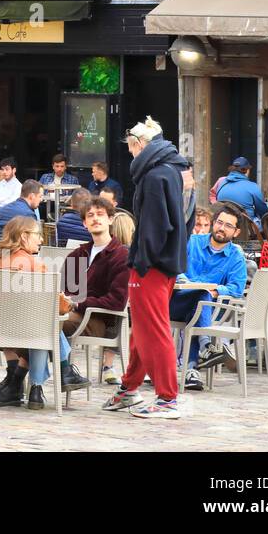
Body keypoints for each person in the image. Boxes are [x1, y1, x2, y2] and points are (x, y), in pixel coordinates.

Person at [102, 116, 187, 419]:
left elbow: (154, 226)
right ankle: (130, 387)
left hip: (151, 264)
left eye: (130, 148)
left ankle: (167, 398)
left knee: (153, 330)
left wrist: (141, 261)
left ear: (139, 145)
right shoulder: (172, 172)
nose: (130, 154)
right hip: (166, 264)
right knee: (143, 328)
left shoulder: (152, 177)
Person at [0, 216, 86, 409]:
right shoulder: (36, 265)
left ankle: (19, 385)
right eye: (38, 234)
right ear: (23, 236)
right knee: (45, 325)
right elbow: (58, 307)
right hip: (31, 334)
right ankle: (56, 376)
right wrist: (67, 303)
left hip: (0, 333)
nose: (41, 240)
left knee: (41, 324)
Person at [169, 203, 248, 392]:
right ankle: (206, 349)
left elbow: (236, 289)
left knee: (202, 298)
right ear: (214, 223)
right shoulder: (192, 242)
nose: (222, 228)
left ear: (236, 232)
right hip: (177, 302)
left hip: (208, 310)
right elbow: (176, 267)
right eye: (220, 222)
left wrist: (216, 291)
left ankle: (192, 369)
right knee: (200, 296)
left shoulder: (236, 256)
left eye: (228, 225)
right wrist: (187, 282)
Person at [63, 197, 129, 385]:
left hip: (100, 321)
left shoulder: (121, 255)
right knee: (38, 322)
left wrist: (80, 303)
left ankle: (59, 372)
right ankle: (31, 380)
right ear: (84, 223)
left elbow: (117, 301)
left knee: (48, 324)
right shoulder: (78, 254)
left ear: (110, 219)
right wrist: (67, 301)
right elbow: (64, 289)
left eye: (100, 214)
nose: (95, 218)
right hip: (72, 314)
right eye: (90, 215)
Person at [214, 157, 267, 225]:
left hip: (224, 225)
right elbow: (262, 211)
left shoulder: (221, 183)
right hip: (246, 228)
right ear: (247, 171)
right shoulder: (253, 186)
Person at [0, 178, 43, 245]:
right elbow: (31, 241)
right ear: (32, 196)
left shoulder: (2, 210)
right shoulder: (28, 214)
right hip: (12, 252)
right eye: (40, 196)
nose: (41, 200)